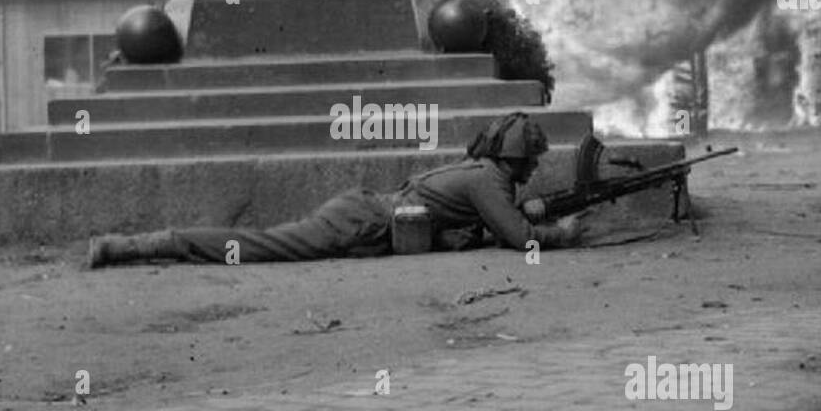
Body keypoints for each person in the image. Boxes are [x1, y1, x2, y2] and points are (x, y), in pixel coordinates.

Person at [87, 111, 583, 267]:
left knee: (265, 243)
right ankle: (139, 245)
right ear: (517, 158)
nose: (535, 168)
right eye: (533, 161)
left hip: (364, 214)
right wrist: (561, 232)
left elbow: (499, 225)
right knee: (261, 246)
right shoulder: (487, 180)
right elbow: (520, 240)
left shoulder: (483, 174)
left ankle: (138, 245)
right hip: (361, 222)